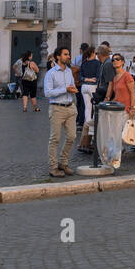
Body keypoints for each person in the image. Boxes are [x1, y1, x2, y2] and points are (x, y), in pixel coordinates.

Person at [107, 53, 135, 159]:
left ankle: (118, 153)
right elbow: (118, 95)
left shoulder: (127, 76)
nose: (115, 61)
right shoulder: (115, 77)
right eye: (113, 60)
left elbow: (132, 93)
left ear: (122, 62)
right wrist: (109, 103)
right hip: (118, 109)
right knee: (124, 132)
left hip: (126, 109)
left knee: (128, 132)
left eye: (118, 59)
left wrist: (133, 108)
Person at [43, 45, 80, 177]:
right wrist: (65, 90)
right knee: (55, 139)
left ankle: (63, 162)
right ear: (58, 57)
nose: (68, 56)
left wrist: (73, 90)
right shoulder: (50, 73)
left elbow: (72, 86)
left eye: (68, 54)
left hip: (70, 107)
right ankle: (53, 167)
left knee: (72, 137)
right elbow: (47, 93)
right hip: (57, 108)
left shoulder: (69, 71)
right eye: (65, 54)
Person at [77, 43, 110, 153]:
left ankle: (87, 125)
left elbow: (80, 76)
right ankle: (92, 127)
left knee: (87, 108)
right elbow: (97, 76)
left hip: (84, 87)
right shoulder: (97, 63)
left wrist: (85, 79)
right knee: (95, 107)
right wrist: (92, 80)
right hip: (93, 87)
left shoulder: (84, 63)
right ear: (92, 53)